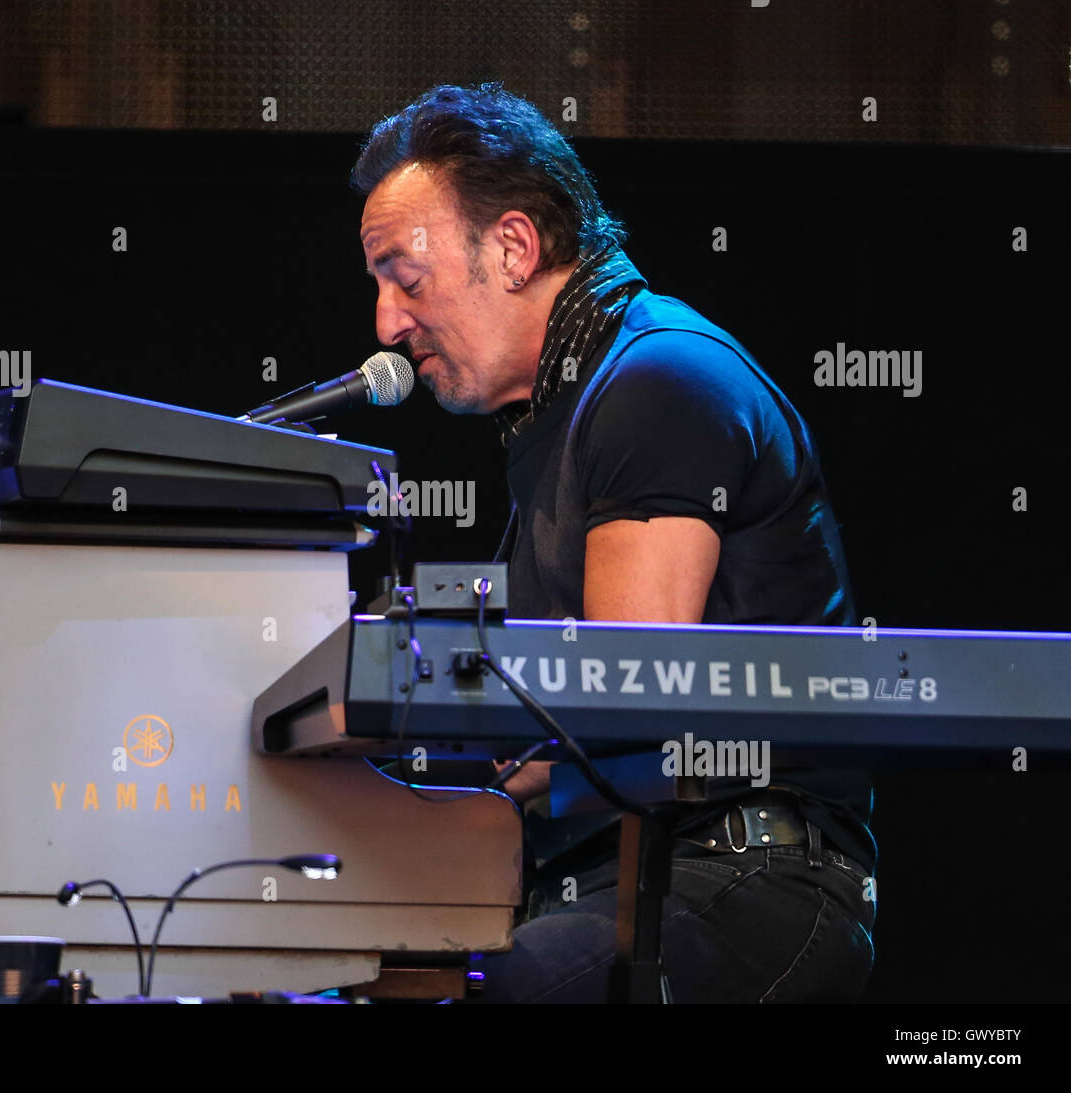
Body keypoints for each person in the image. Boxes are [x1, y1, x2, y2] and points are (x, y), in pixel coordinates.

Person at [353, 83, 876, 1003]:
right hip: (612, 877)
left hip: (739, 878)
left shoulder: (657, 379)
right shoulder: (560, 417)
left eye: (407, 277)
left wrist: (415, 797)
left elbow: (626, 703)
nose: (387, 325)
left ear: (512, 247)